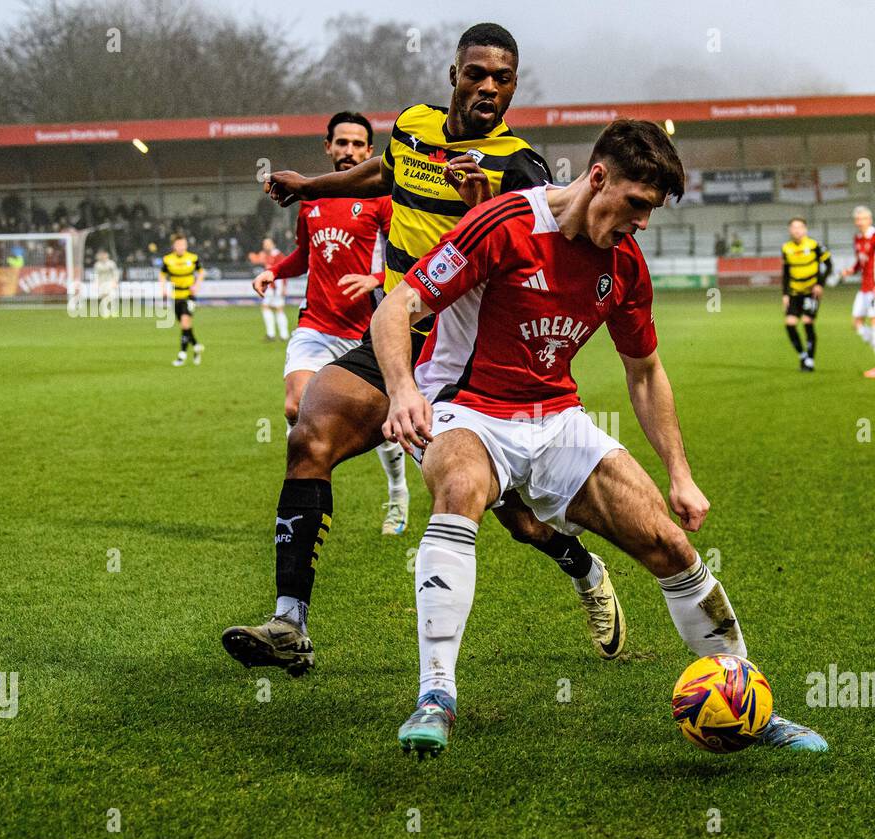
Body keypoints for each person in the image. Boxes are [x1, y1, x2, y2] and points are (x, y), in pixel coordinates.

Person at [372, 120, 828, 757]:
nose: (641, 222)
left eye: (652, 211)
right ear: (597, 178)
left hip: (555, 418)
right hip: (465, 410)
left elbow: (644, 371)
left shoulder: (625, 265)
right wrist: (401, 389)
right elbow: (397, 308)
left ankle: (748, 699)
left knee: (671, 547)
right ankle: (436, 695)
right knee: (460, 488)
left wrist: (680, 473)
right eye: (637, 204)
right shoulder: (504, 224)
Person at [222, 23, 627, 677]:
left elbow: (531, 255)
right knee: (309, 435)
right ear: (453, 75)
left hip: (466, 353)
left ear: (513, 86)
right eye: (477, 73)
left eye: (503, 77)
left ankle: (582, 565)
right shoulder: (412, 126)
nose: (488, 86)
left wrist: (483, 206)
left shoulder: (521, 165)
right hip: (395, 335)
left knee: (516, 519)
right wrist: (312, 186)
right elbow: (384, 174)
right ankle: (289, 623)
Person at [254, 113, 407, 534]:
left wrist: (374, 279)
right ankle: (310, 482)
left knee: (388, 428)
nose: (349, 151)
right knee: (293, 405)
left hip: (366, 331)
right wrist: (274, 271)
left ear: (370, 153)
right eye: (342, 143)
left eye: (358, 145)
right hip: (315, 326)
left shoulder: (382, 200)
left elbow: (404, 261)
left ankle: (397, 495)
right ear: (328, 147)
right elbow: (303, 255)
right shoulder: (312, 199)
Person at [840, 206, 875, 378]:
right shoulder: (857, 238)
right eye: (857, 219)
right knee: (856, 323)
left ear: (869, 220)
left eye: (863, 218)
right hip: (864, 288)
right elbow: (861, 262)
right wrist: (851, 270)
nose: (860, 222)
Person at [780, 217, 831, 371]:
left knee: (808, 322)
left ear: (805, 229)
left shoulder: (815, 245)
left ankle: (810, 360)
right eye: (794, 227)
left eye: (800, 227)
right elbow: (786, 273)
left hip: (811, 293)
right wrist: (785, 294)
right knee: (790, 324)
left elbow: (828, 265)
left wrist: (820, 284)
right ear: (790, 231)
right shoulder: (786, 248)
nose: (797, 230)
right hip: (795, 292)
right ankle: (803, 355)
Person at [158, 234, 203, 366]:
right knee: (185, 326)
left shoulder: (193, 258)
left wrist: (197, 285)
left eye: (183, 244)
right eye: (179, 245)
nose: (181, 247)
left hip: (189, 295)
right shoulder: (167, 260)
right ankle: (196, 346)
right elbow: (162, 275)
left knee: (184, 323)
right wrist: (163, 288)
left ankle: (181, 355)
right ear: (174, 246)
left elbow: (201, 272)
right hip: (176, 296)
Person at [249, 238, 290, 343]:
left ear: (272, 244)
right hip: (271, 286)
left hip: (277, 286)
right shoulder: (267, 255)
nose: (264, 245)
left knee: (275, 308)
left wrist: (284, 286)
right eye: (264, 244)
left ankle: (278, 334)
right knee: (271, 308)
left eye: (266, 244)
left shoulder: (278, 255)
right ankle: (278, 334)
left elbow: (284, 270)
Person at [93, 249, 119, 315]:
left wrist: (115, 282)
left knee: (112, 296)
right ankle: (104, 311)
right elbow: (96, 275)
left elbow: (116, 273)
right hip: (101, 283)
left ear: (107, 255)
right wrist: (96, 283)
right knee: (103, 297)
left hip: (110, 282)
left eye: (105, 255)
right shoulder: (97, 264)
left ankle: (113, 310)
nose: (103, 256)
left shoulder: (111, 263)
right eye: (102, 255)